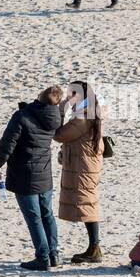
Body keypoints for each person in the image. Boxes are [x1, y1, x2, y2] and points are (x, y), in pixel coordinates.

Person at [0, 86, 64, 271]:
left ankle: (43, 258)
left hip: (25, 175)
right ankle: (53, 255)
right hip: (45, 174)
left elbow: (6, 145)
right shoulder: (55, 117)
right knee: (47, 215)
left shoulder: (21, 116)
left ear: (39, 97)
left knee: (34, 218)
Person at [54, 81, 106, 264]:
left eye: (72, 94)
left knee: (87, 204)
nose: (68, 97)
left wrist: (60, 109)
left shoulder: (82, 118)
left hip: (82, 168)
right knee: (88, 202)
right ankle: (94, 247)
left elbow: (58, 134)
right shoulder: (89, 113)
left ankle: (94, 249)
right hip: (86, 166)